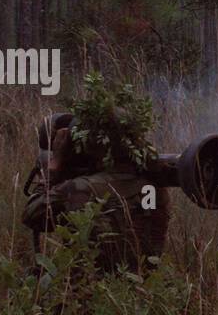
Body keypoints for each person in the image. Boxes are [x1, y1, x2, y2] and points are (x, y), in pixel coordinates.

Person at [21, 113, 171, 275]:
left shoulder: (79, 188)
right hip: (143, 286)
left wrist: (54, 166)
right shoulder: (155, 188)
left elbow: (31, 216)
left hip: (89, 290)